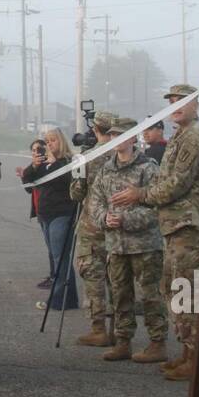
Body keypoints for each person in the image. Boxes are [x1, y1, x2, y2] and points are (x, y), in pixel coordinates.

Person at [111, 84, 199, 379]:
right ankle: (187, 354)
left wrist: (139, 195)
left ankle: (197, 362)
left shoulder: (194, 137)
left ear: (195, 104)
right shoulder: (181, 136)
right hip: (176, 225)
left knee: (189, 294)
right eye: (170, 101)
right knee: (176, 291)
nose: (174, 104)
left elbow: (175, 184)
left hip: (189, 226)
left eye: (181, 100)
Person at [87, 117, 168, 364]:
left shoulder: (148, 168)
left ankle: (157, 342)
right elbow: (95, 203)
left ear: (133, 138)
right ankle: (123, 341)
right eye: (112, 135)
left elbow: (156, 207)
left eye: (121, 135)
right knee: (121, 295)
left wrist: (125, 220)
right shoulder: (106, 170)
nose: (115, 139)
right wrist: (105, 219)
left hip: (144, 245)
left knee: (151, 295)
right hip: (116, 245)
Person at [69, 110, 116, 346]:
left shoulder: (84, 158)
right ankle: (119, 329)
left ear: (95, 130)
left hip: (92, 226)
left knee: (93, 277)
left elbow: (76, 193)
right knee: (117, 278)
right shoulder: (126, 154)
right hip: (120, 225)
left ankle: (98, 328)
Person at [23, 128, 79, 312]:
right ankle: (68, 299)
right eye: (47, 141)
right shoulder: (44, 164)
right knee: (57, 258)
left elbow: (67, 181)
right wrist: (33, 166)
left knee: (59, 257)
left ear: (61, 141)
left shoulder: (67, 162)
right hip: (45, 214)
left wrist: (54, 163)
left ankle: (57, 299)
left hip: (62, 214)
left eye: (53, 140)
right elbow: (28, 184)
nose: (50, 144)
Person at [18, 139, 49, 286]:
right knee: (50, 248)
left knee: (55, 250)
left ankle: (56, 276)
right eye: (34, 151)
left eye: (41, 150)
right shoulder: (33, 167)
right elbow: (28, 188)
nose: (38, 153)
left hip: (52, 212)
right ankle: (53, 275)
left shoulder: (51, 166)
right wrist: (28, 171)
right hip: (41, 212)